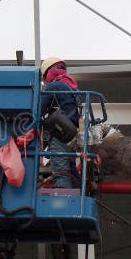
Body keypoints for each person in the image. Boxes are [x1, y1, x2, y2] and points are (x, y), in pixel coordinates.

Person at [39, 57, 80, 189]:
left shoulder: (54, 85)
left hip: (61, 132)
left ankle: (63, 195)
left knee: (60, 166)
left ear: (48, 73)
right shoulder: (71, 85)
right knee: (70, 165)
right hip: (72, 132)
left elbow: (38, 109)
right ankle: (77, 192)